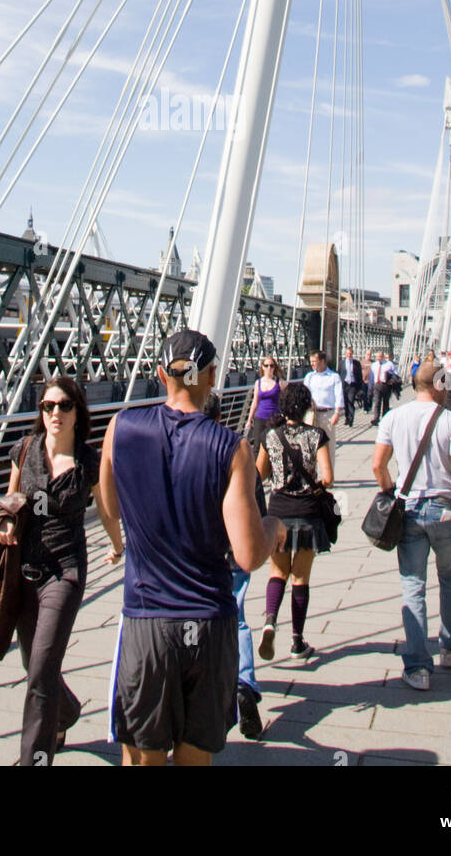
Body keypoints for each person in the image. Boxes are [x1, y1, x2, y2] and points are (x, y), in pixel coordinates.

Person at [99, 328, 285, 767]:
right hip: (208, 623)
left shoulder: (120, 428)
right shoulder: (231, 448)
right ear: (212, 376)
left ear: (161, 373)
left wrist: (120, 542)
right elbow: (247, 556)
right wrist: (273, 524)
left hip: (147, 621)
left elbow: (107, 505)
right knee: (194, 758)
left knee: (142, 759)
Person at [0, 374, 123, 766]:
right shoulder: (24, 450)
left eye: (64, 406)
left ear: (77, 411)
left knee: (40, 670)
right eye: (48, 406)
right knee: (33, 664)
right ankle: (66, 711)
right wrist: (4, 525)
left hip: (66, 571)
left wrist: (118, 545)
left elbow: (105, 507)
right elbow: (12, 500)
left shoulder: (89, 462)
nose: (55, 413)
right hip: (25, 569)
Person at [371, 358, 451, 690]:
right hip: (445, 508)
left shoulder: (393, 417)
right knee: (450, 580)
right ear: (439, 385)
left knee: (413, 586)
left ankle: (418, 668)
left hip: (408, 509)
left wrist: (390, 492)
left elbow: (378, 465)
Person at [204, 391, 267, 741]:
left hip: (196, 556)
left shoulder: (177, 451)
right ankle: (243, 681)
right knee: (237, 618)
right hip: (233, 555)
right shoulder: (238, 451)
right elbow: (255, 505)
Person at [256, 381, 333, 662]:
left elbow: (259, 474)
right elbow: (328, 477)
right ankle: (297, 641)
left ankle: (269, 621)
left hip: (277, 514)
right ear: (306, 407)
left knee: (277, 573)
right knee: (301, 577)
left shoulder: (271, 436)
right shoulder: (316, 436)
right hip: (307, 514)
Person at [303, 349, 343, 476]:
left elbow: (339, 395)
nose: (312, 364)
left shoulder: (333, 377)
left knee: (329, 445)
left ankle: (328, 476)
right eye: (311, 362)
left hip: (328, 414)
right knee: (311, 445)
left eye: (315, 361)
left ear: (322, 361)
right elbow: (304, 394)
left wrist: (337, 413)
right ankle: (312, 475)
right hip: (312, 414)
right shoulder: (309, 377)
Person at [245, 355, 286, 453]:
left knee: (274, 446)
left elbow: (287, 398)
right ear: (262, 367)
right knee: (257, 447)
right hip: (260, 418)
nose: (269, 368)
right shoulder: (258, 383)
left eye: (271, 366)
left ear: (274, 367)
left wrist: (285, 415)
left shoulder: (279, 382)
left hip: (274, 418)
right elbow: (255, 402)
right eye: (266, 365)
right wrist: (249, 420)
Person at [370, 349, 399, 425]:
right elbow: (372, 376)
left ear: (383, 357)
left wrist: (392, 381)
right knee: (377, 402)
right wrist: (370, 386)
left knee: (386, 403)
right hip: (377, 385)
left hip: (386, 385)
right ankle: (376, 419)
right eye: (377, 357)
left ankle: (385, 418)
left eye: (380, 357)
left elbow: (395, 373)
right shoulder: (374, 365)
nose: (378, 358)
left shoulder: (389, 364)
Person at [340, 345, 363, 428]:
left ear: (352, 354)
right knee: (346, 402)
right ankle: (347, 417)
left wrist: (360, 388)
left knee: (351, 401)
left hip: (352, 385)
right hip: (345, 384)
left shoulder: (356, 363)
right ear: (345, 354)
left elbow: (360, 375)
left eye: (350, 354)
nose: (349, 355)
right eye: (347, 354)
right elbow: (340, 374)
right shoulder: (341, 363)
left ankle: (351, 419)